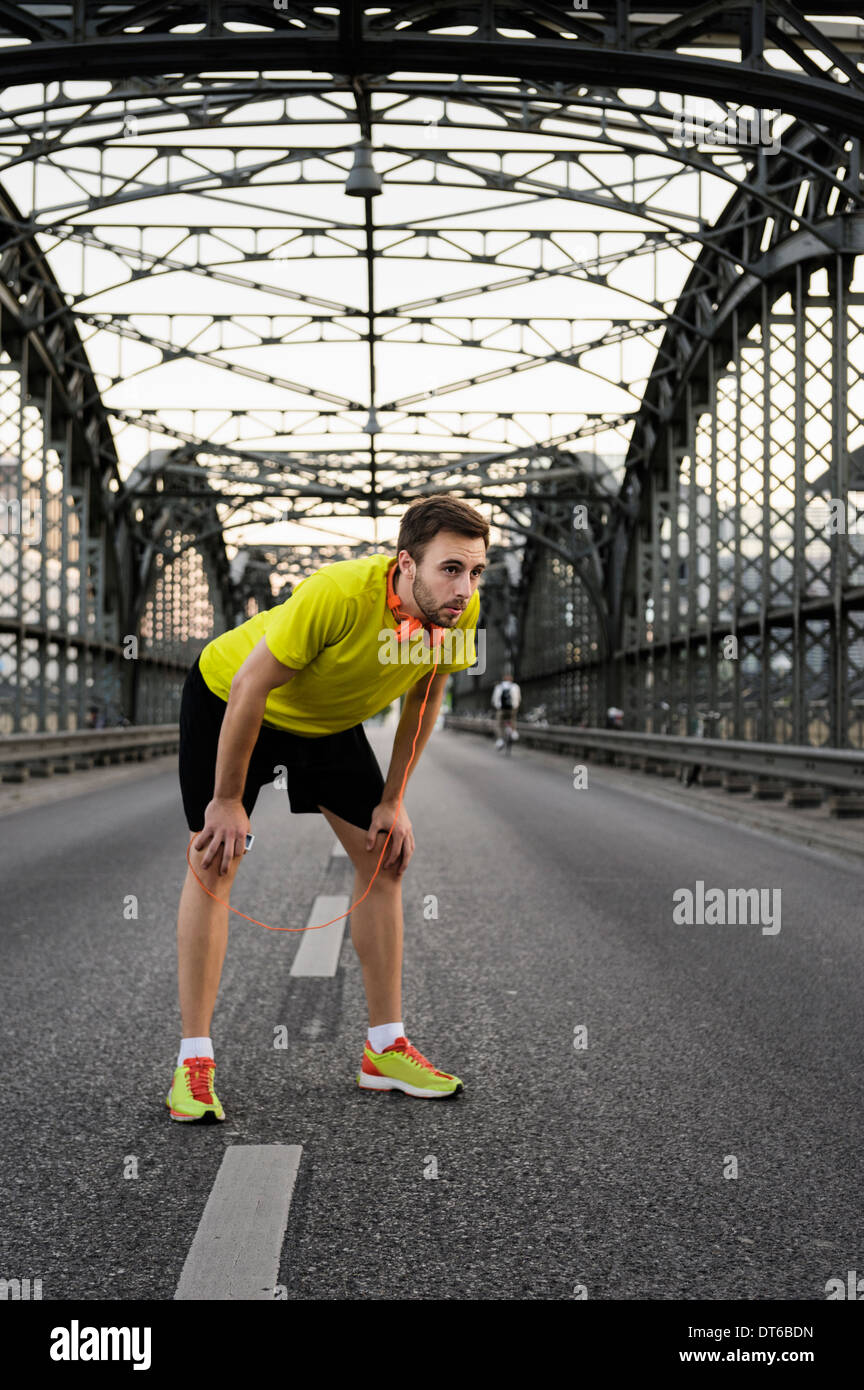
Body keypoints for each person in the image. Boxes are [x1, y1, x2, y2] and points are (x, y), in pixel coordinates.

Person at [168, 495, 488, 1121]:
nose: (465, 588)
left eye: (476, 571)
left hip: (324, 723)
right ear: (406, 564)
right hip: (232, 697)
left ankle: (384, 1050)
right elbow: (251, 684)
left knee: (384, 856)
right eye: (451, 569)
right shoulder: (339, 594)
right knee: (214, 860)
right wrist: (227, 801)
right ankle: (194, 1064)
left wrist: (393, 800)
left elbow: (427, 696)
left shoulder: (459, 610)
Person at [491, 671, 521, 749]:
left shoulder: (498, 687)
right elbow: (518, 699)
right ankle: (514, 731)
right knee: (513, 718)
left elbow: (494, 700)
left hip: (501, 709)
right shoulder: (515, 686)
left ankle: (500, 740)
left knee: (498, 724)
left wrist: (497, 707)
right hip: (512, 709)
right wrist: (516, 706)